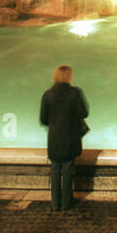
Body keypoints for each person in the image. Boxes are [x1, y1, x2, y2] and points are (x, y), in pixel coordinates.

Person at [39, 64, 89, 211]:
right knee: (68, 169)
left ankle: (55, 203)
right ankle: (66, 203)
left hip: (54, 137)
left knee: (55, 169)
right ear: (69, 77)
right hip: (71, 136)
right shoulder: (75, 93)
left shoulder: (47, 94)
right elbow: (84, 113)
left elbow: (43, 119)